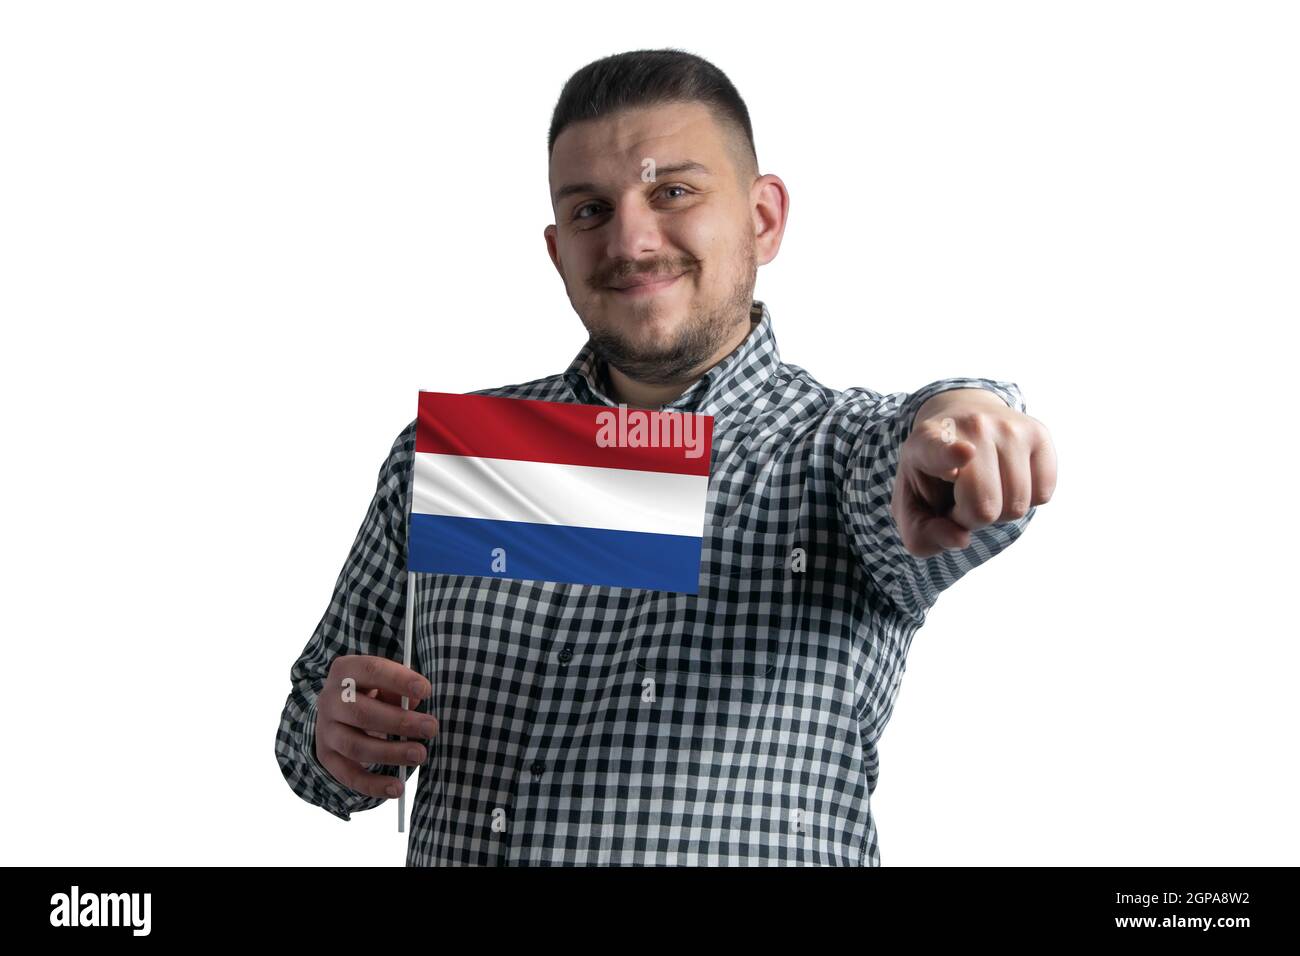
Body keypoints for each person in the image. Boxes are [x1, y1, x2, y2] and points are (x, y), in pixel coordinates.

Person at [275, 48, 1057, 866]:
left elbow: (921, 452)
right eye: (589, 211)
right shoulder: (456, 458)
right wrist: (335, 735)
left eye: (672, 192)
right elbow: (310, 733)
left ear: (763, 219)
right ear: (556, 250)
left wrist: (967, 420)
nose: (632, 241)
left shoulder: (831, 457)